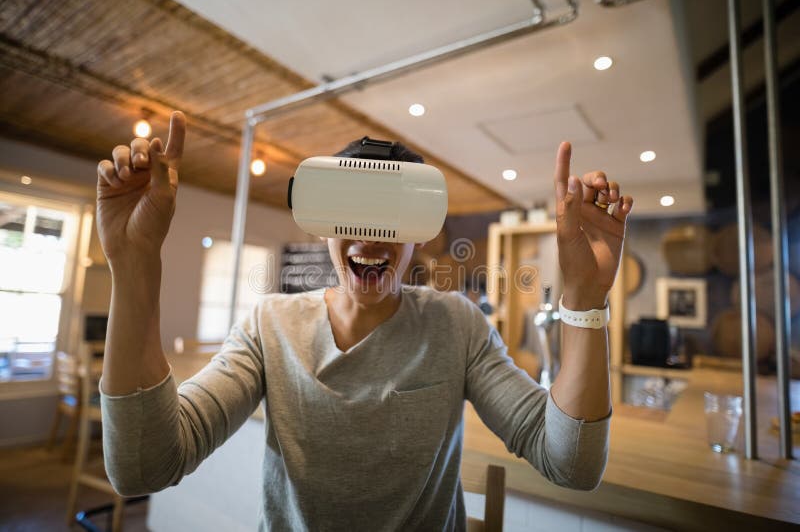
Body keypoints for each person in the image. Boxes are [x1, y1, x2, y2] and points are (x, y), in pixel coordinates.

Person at [96, 111, 633, 530]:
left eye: (390, 218)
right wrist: (134, 262)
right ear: (324, 225)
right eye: (350, 215)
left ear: (420, 230)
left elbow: (571, 464)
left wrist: (584, 294)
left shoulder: (457, 326)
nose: (368, 238)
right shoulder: (270, 326)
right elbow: (147, 465)